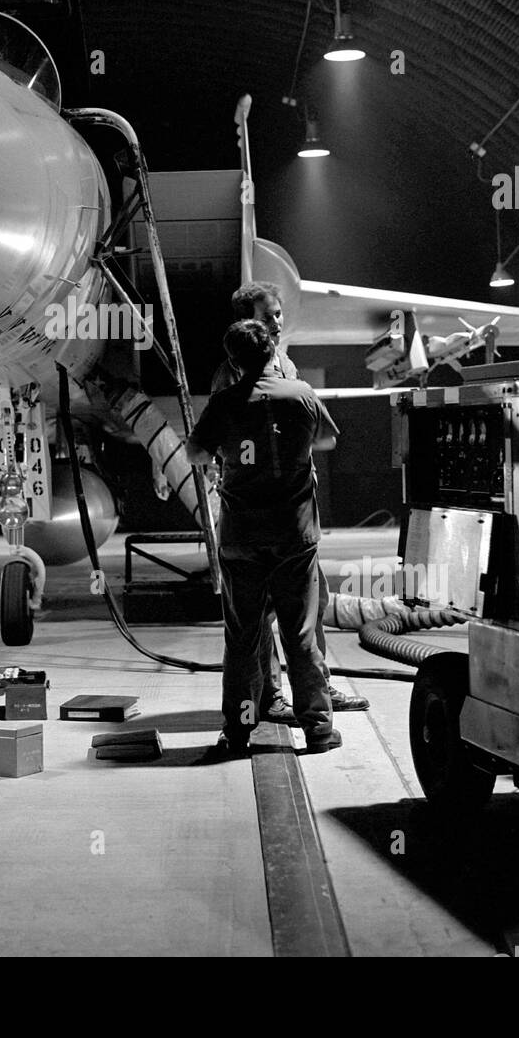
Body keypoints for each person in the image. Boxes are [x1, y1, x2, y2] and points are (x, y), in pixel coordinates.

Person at [208, 282, 368, 717]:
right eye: (269, 316)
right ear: (247, 323)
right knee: (258, 619)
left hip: (295, 514)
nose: (277, 322)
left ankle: (317, 691)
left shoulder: (286, 362)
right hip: (264, 516)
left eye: (279, 315)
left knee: (312, 609)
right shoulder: (232, 376)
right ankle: (270, 696)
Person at [187, 319, 344, 755]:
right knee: (301, 635)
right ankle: (317, 730)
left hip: (242, 539)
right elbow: (329, 439)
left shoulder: (223, 402)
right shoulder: (302, 394)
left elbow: (196, 453)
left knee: (242, 639)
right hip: (294, 536)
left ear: (234, 362)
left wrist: (231, 449)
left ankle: (238, 732)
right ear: (273, 351)